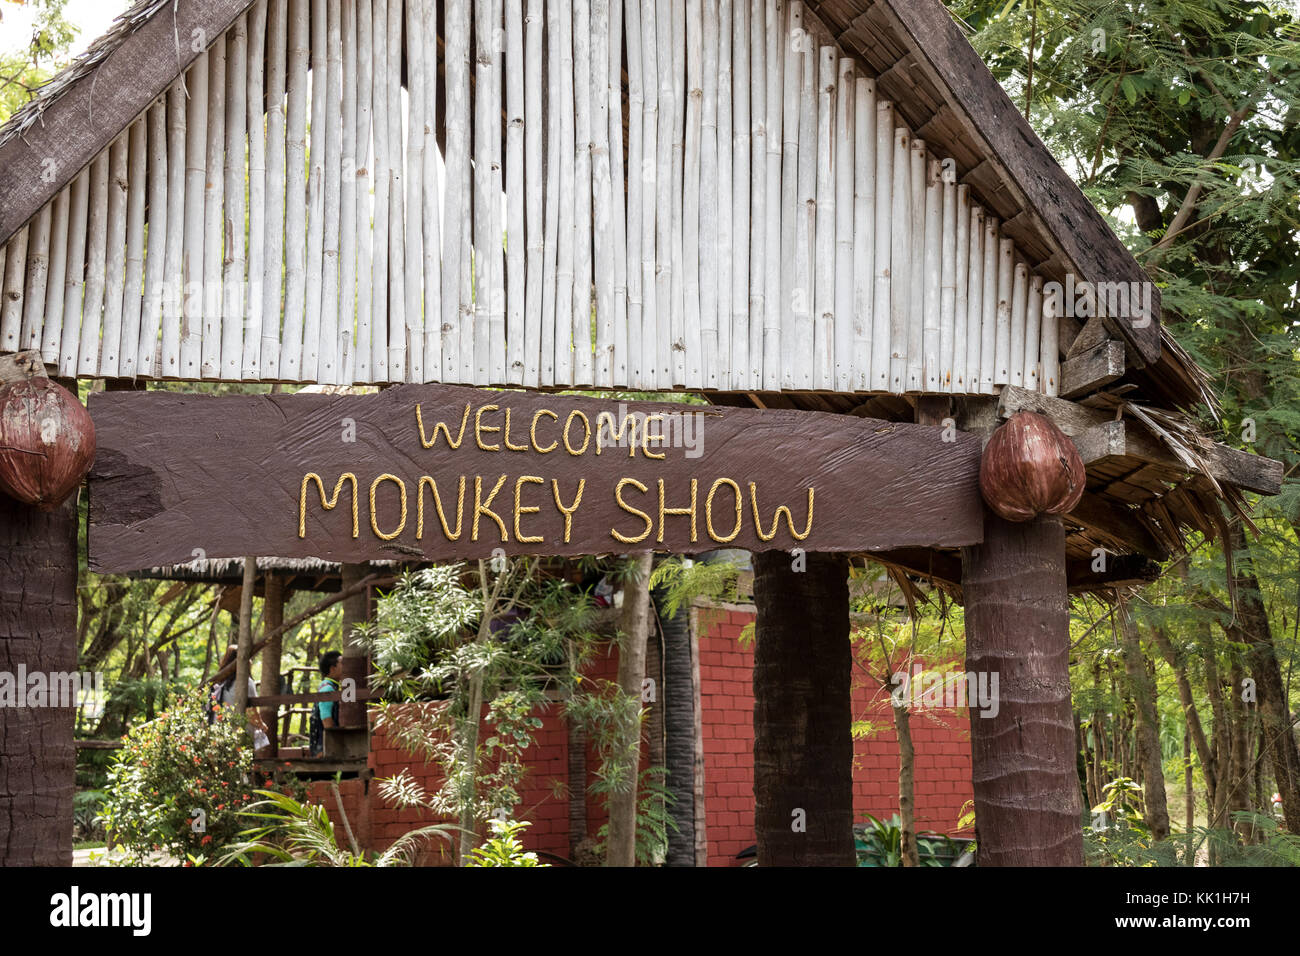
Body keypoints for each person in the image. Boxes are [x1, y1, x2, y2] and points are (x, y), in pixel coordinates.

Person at [208, 645, 272, 752]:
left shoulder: (219, 682)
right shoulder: (246, 683)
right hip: (238, 734)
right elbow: (251, 713)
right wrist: (262, 725)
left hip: (217, 731)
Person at [310, 651, 344, 757]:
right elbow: (326, 718)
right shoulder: (327, 688)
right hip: (323, 747)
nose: (345, 667)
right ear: (332, 669)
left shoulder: (331, 686)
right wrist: (332, 745)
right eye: (342, 663)